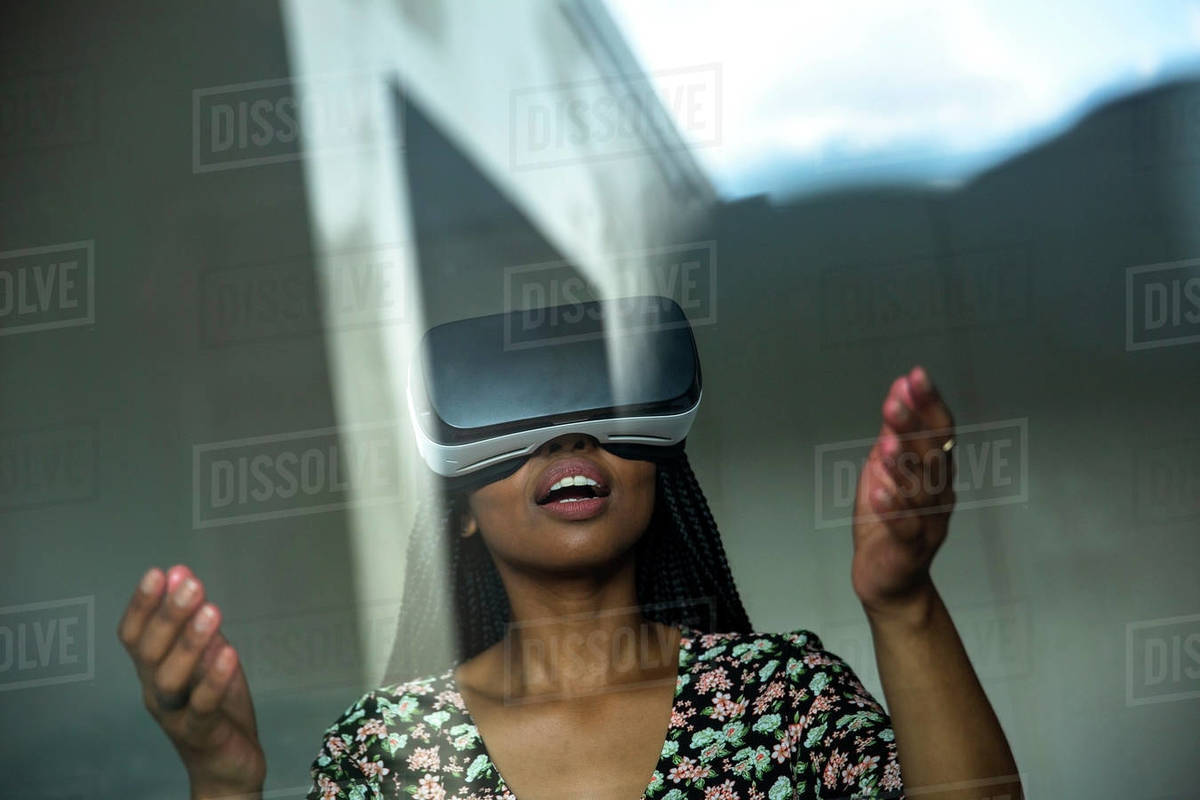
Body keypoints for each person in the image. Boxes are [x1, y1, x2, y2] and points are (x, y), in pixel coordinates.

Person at [118, 365, 1020, 799]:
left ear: (657, 475)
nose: (566, 436)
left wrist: (903, 605)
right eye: (516, 414)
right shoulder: (383, 748)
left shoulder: (787, 696)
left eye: (599, 408)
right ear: (462, 512)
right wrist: (222, 782)